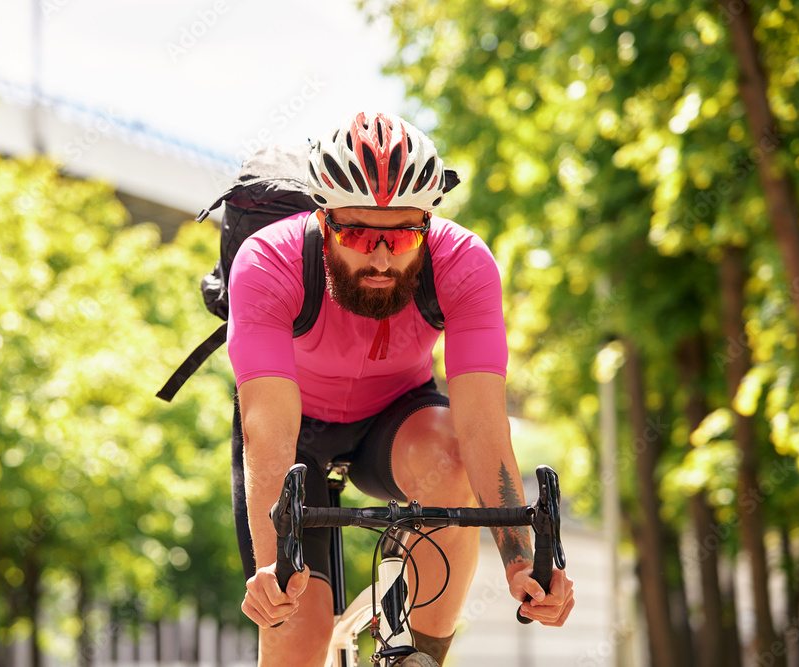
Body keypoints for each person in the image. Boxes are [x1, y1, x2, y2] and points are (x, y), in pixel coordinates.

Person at [227, 111, 575, 666]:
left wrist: (521, 563)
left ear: (428, 224)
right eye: (358, 234)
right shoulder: (269, 261)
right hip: (295, 439)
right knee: (297, 633)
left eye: (404, 235)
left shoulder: (463, 262)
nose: (382, 258)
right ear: (323, 220)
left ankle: (423, 658)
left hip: (396, 422)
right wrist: (273, 567)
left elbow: (482, 428)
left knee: (450, 457)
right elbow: (266, 431)